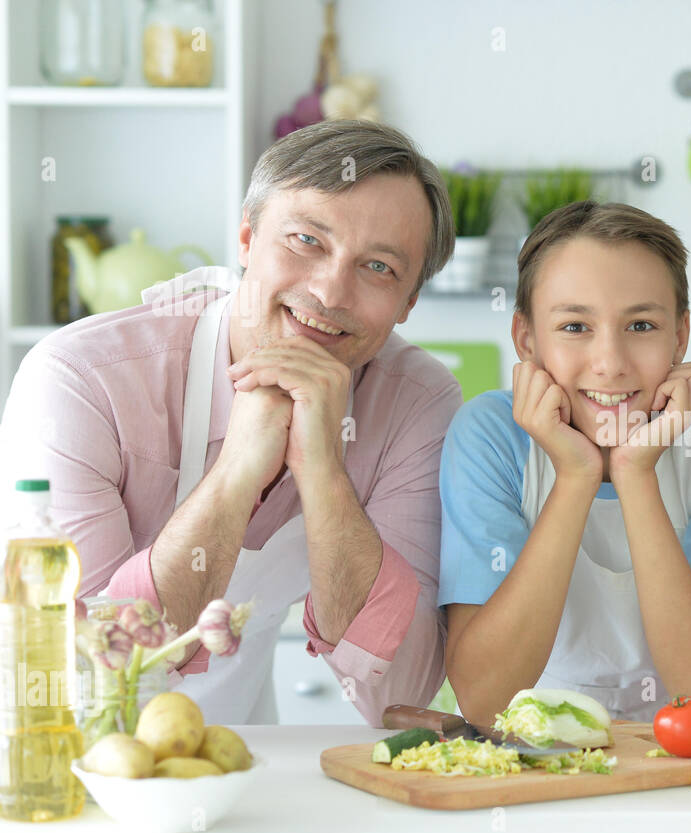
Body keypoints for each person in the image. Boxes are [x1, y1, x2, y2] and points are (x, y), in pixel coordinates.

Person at [0, 120, 461, 726]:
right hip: (55, 757)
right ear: (246, 239)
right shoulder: (83, 378)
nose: (330, 290)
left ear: (408, 305)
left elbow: (397, 696)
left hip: (242, 754)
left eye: (378, 268)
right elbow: (86, 683)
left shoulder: (416, 403)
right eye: (305, 240)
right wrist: (237, 471)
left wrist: (322, 471)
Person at [437, 201, 691, 726]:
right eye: (575, 327)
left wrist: (637, 474)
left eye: (641, 325)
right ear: (527, 339)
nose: (611, 363)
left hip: (681, 755)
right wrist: (575, 476)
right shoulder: (489, 434)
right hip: (524, 748)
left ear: (680, 337)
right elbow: (486, 700)